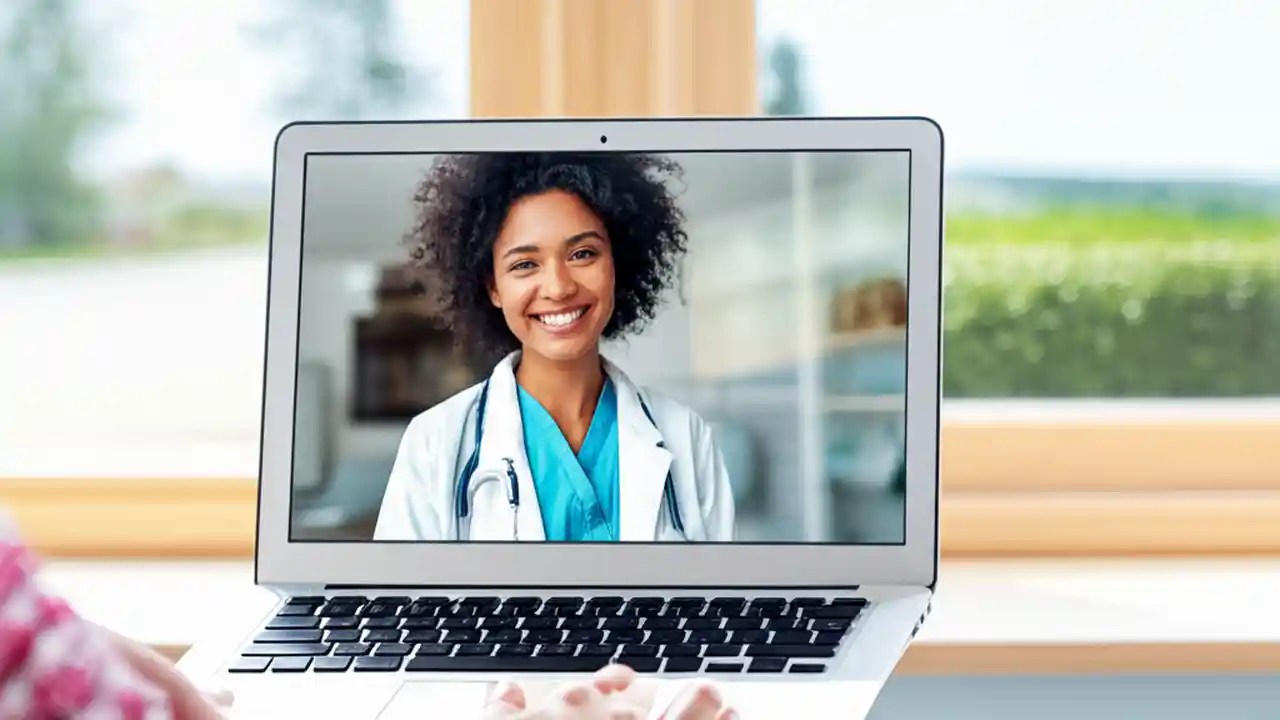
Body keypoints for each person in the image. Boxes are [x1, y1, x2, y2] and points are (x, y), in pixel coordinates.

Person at [374, 153, 735, 542]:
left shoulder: (686, 435)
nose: (559, 287)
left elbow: (728, 596)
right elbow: (400, 600)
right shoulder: (434, 442)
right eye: (525, 264)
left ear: (618, 263)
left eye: (583, 254)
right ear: (493, 287)